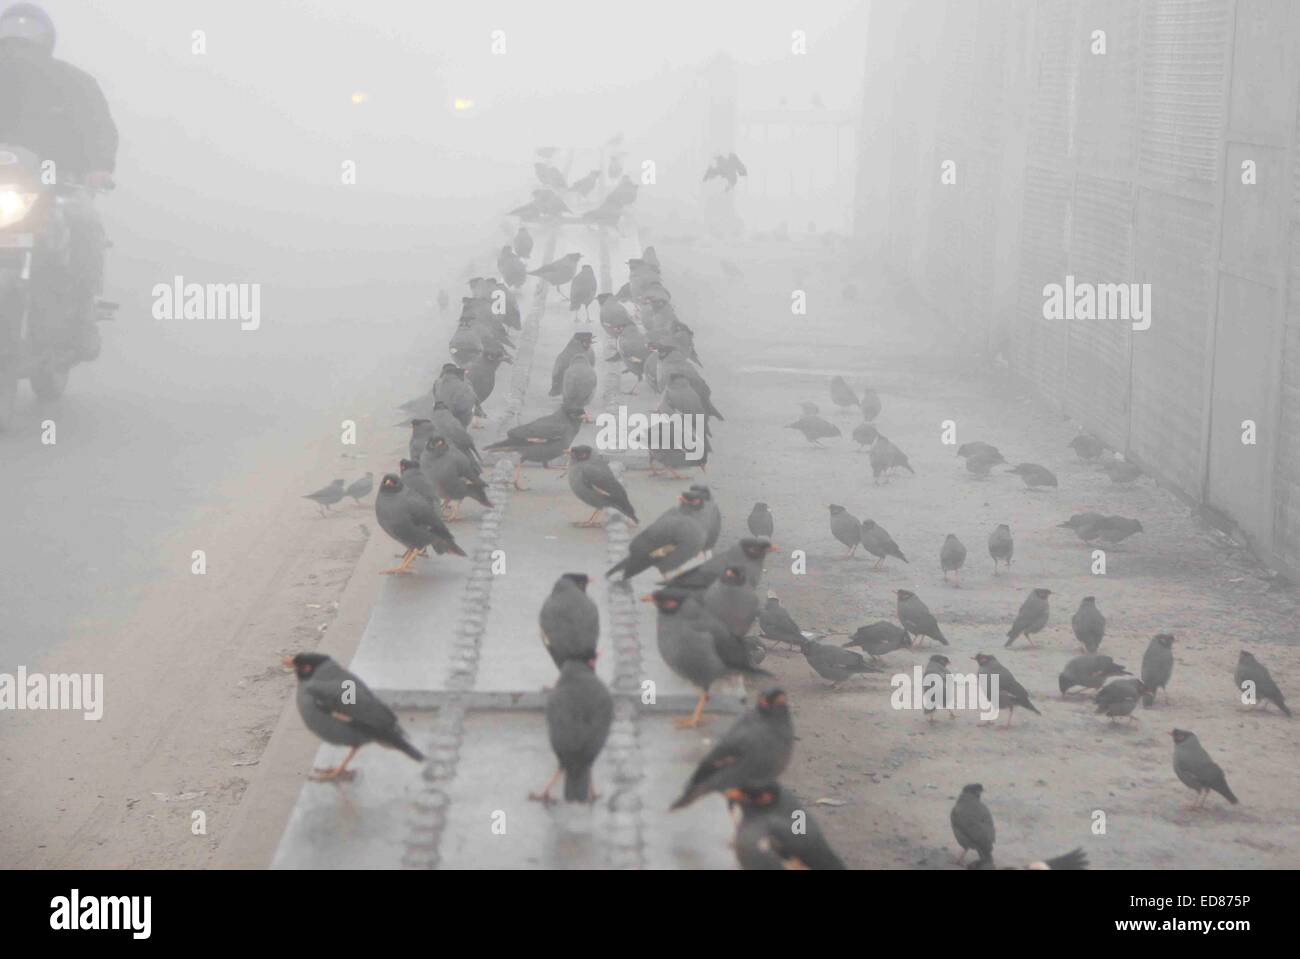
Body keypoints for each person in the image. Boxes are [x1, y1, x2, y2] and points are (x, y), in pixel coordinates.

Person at [0, 2, 118, 360]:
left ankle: (82, 318)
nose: (20, 41)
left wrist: (99, 168)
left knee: (84, 225)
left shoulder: (75, 82)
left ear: (46, 40)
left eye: (29, 33)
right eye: (13, 32)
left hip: (58, 188)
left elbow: (100, 129)